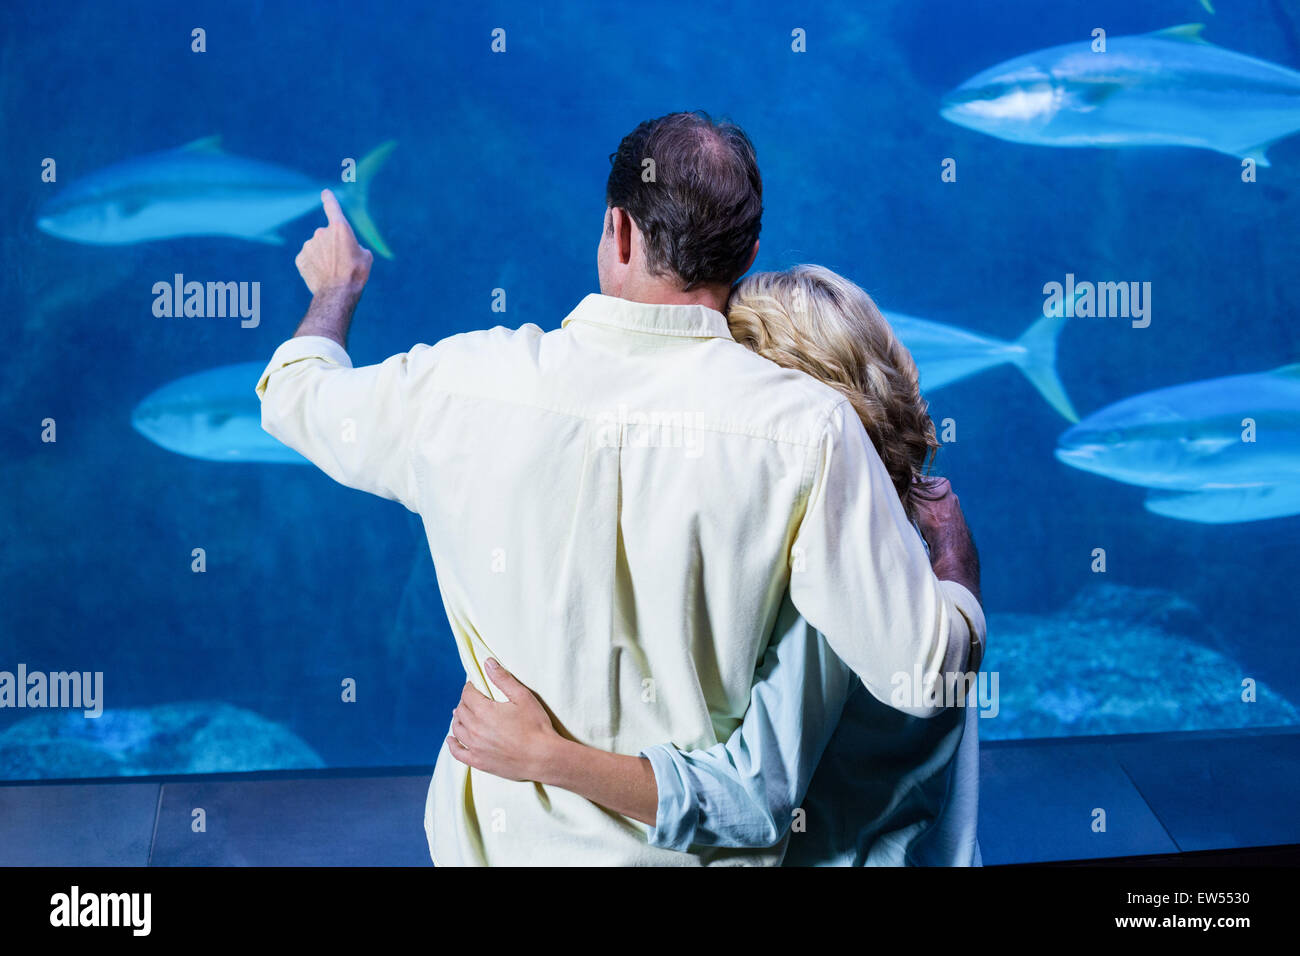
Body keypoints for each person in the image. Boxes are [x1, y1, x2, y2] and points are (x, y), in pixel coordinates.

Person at [256, 111, 983, 865]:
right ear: (748, 253)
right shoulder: (811, 432)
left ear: (619, 232)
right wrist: (958, 575)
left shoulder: (460, 386)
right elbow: (924, 677)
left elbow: (295, 397)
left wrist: (335, 291)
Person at [447, 265, 986, 865]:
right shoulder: (914, 535)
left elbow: (754, 801)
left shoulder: (827, 578)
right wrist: (960, 579)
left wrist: (545, 757)